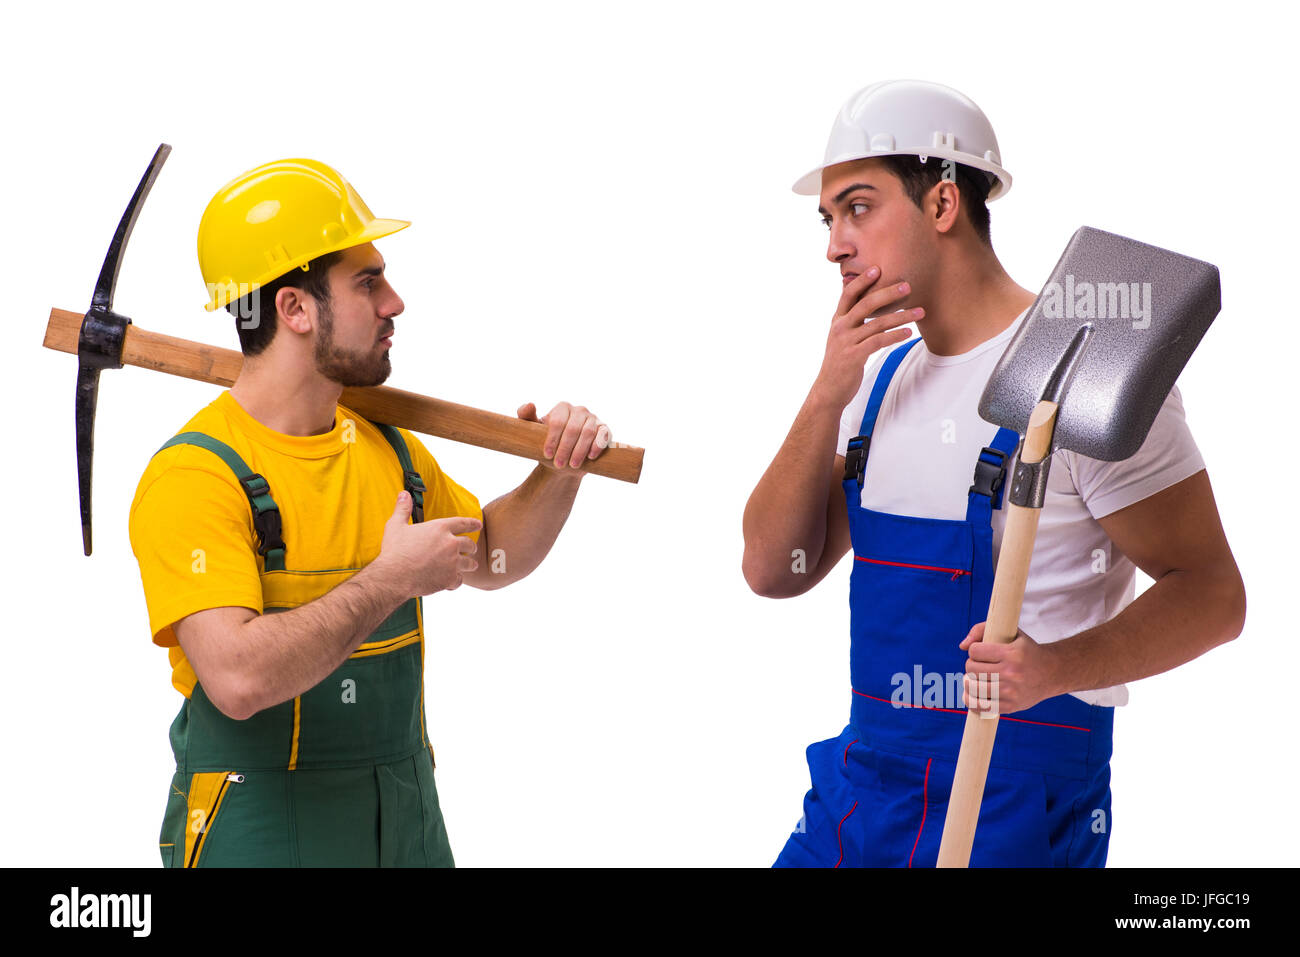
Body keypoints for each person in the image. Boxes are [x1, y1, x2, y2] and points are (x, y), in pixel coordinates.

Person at [742, 80, 1246, 867]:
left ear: (943, 204)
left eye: (859, 207)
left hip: (1015, 802)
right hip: (864, 787)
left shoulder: (1082, 371)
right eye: (828, 217)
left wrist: (1055, 669)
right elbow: (772, 569)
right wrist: (826, 393)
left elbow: (1214, 595)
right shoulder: (876, 385)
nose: (834, 244)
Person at [129, 158, 612, 867]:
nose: (395, 302)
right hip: (258, 823)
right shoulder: (196, 474)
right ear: (294, 308)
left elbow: (496, 554)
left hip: (405, 817)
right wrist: (388, 581)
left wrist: (558, 469)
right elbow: (237, 679)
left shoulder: (387, 450)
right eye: (368, 281)